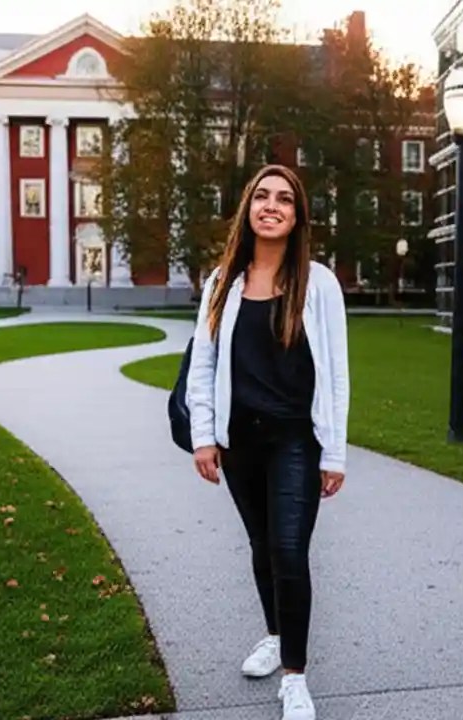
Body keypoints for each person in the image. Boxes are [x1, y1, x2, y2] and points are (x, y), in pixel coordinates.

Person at [185, 164, 350, 720]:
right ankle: (276, 634)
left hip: (295, 442)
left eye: (284, 198)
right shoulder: (221, 283)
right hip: (239, 445)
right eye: (262, 196)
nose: (271, 205)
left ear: (298, 215)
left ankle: (295, 677)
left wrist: (335, 452)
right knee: (262, 546)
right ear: (248, 209)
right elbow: (203, 366)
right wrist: (204, 437)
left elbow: (338, 373)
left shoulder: (319, 284)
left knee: (288, 550)